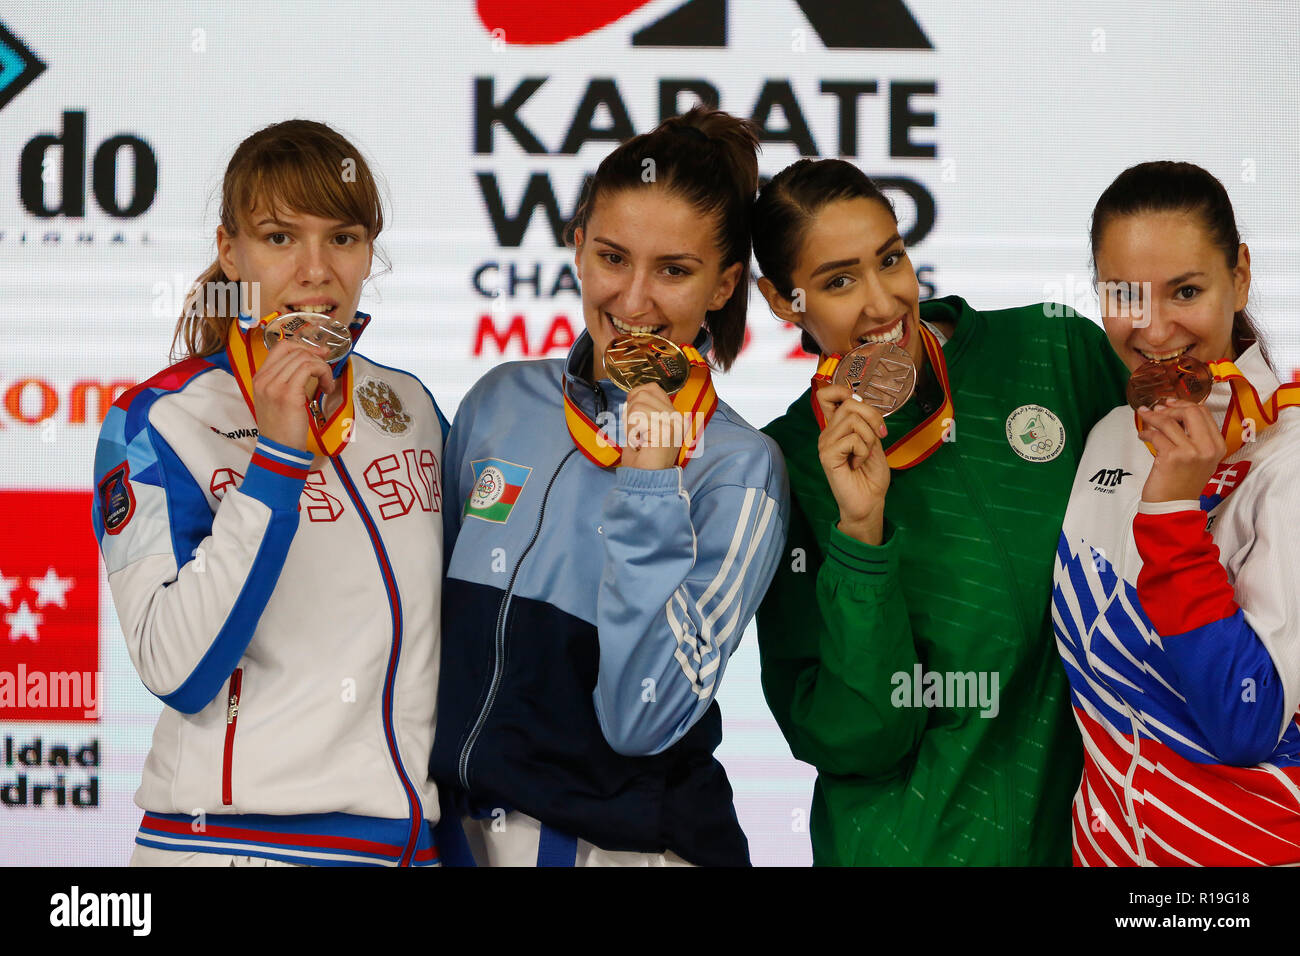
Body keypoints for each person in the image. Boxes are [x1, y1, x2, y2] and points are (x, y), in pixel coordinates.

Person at [429, 106, 788, 867]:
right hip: (462, 837)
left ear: (725, 285)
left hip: (628, 850)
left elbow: (641, 718)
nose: (633, 301)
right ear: (577, 250)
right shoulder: (499, 403)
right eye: (613, 258)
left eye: (675, 271)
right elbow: (433, 636)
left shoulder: (739, 468)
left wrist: (652, 491)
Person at [752, 158, 1130, 865]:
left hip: (1085, 845)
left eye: (890, 259)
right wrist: (861, 535)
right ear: (783, 301)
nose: (882, 302)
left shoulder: (1051, 350)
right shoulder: (790, 463)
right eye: (837, 281)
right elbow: (857, 738)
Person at [92, 119, 447, 866]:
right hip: (235, 846)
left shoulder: (410, 409)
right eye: (281, 238)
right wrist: (279, 459)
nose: (317, 271)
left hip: (406, 848)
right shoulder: (159, 420)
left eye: (343, 239)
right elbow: (176, 668)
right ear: (231, 252)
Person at [1053, 161, 1300, 866]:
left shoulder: (1290, 459)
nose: (1154, 329)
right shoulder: (1107, 433)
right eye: (1125, 295)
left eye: (1186, 291)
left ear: (1241, 277)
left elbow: (1245, 721)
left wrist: (1171, 510)